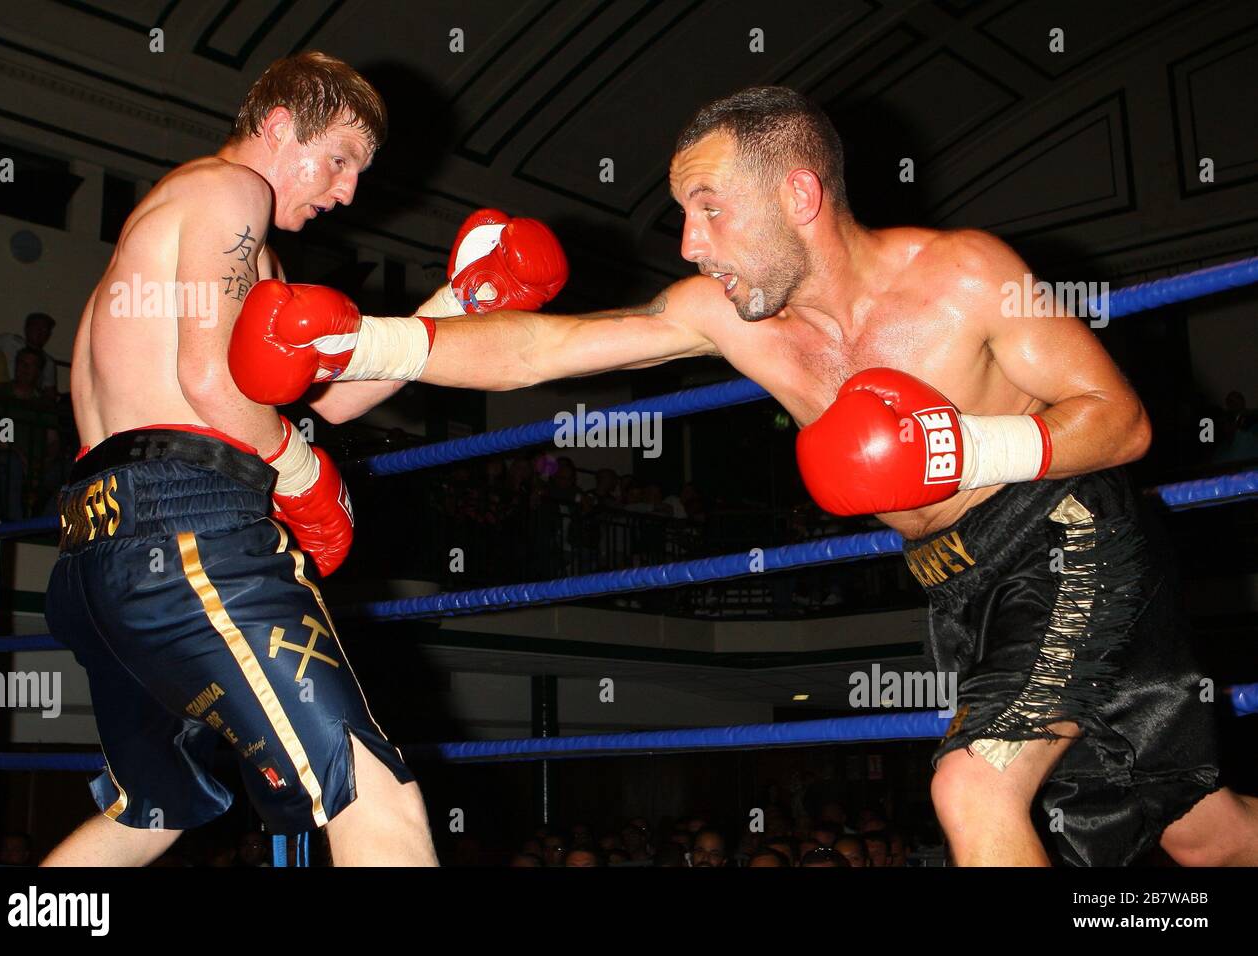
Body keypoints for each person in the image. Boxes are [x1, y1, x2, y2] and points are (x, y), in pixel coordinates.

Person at [233, 85, 1258, 868]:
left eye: (711, 208)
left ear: (799, 195)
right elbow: (539, 351)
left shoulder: (965, 276)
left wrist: (967, 448)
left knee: (973, 792)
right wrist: (360, 341)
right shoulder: (727, 315)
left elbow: (1119, 422)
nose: (689, 242)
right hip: (958, 586)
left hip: (1065, 534)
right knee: (1202, 838)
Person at [41, 51, 563, 868]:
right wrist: (300, 471)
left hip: (99, 551)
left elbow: (314, 400)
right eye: (340, 160)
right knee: (369, 788)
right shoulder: (228, 190)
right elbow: (211, 382)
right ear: (281, 126)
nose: (348, 192)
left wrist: (459, 302)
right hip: (184, 528)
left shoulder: (195, 230)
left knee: (151, 812)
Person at [0, 311, 59, 398]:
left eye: (44, 329)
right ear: (27, 328)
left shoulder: (49, 362)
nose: (40, 332)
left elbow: (49, 393)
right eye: (36, 327)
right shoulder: (9, 341)